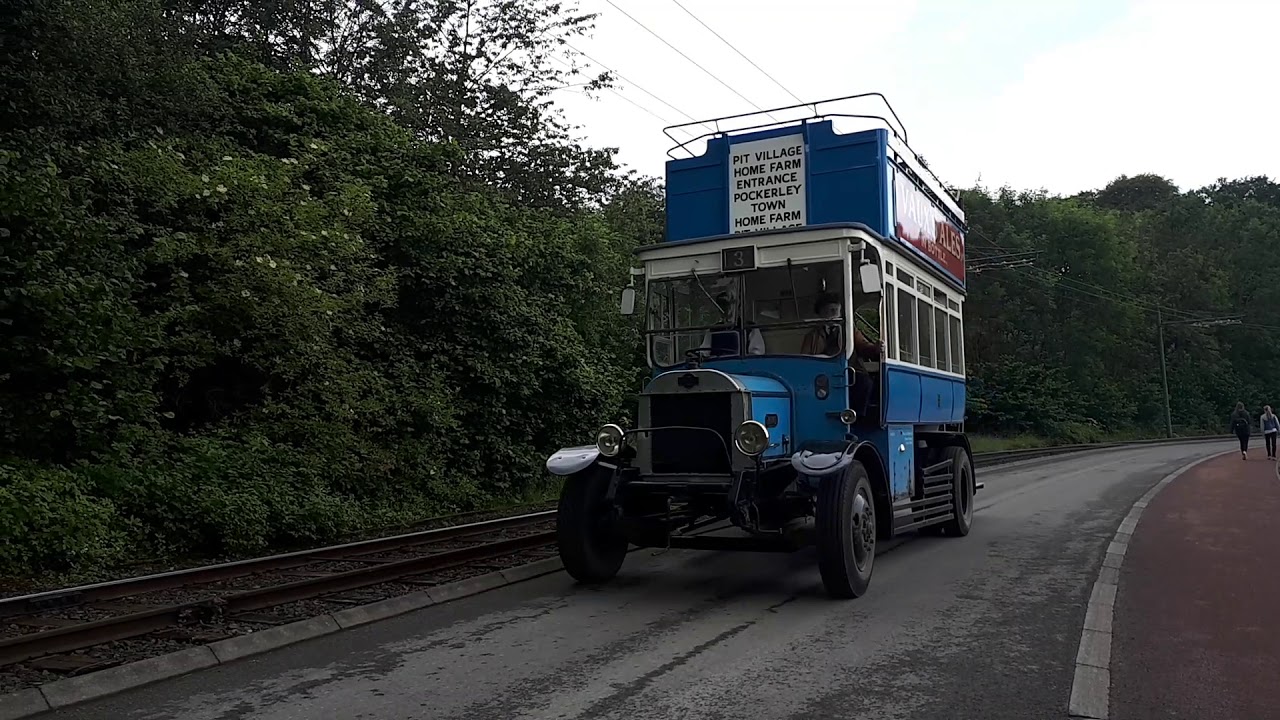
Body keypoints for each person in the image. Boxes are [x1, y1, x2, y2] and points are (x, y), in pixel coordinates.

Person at [802, 293, 882, 421]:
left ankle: (856, 418)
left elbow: (864, 347)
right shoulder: (812, 336)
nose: (835, 314)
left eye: (837, 310)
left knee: (864, 382)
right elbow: (805, 357)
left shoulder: (849, 332)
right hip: (822, 373)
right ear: (822, 313)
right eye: (830, 310)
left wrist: (876, 349)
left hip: (849, 370)